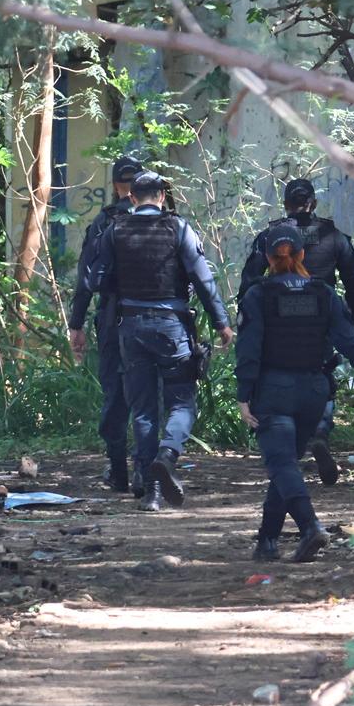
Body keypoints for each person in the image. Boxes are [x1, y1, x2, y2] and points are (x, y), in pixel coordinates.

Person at [236, 222, 354, 562]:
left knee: (281, 463)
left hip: (273, 392)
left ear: (266, 257)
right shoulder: (324, 294)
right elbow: (350, 342)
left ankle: (310, 527)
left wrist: (244, 394)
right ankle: (267, 540)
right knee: (285, 463)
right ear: (303, 254)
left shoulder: (258, 295)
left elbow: (249, 349)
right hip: (313, 393)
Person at [87, 171, 235, 512]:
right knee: (182, 402)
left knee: (143, 410)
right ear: (162, 197)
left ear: (133, 198)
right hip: (172, 327)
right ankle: (167, 456)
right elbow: (202, 279)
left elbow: (96, 279)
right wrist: (222, 324)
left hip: (131, 327)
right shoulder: (179, 228)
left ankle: (152, 493)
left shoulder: (115, 229)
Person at [238, 178, 354, 486]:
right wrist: (346, 320)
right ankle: (320, 431)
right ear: (314, 203)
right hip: (322, 315)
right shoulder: (333, 236)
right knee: (321, 374)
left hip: (277, 317)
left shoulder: (271, 236)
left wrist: (256, 312)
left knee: (279, 376)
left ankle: (286, 445)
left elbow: (249, 280)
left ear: (285, 204)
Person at [68, 155, 144, 493]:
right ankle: (144, 466)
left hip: (114, 319)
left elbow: (87, 278)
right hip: (152, 320)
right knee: (147, 395)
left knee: (114, 394)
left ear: (115, 185)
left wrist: (77, 324)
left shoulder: (103, 222)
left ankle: (118, 469)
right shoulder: (165, 221)